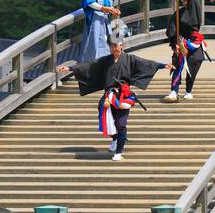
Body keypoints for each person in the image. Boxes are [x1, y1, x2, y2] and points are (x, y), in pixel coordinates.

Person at [57, 24, 167, 161]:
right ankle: (116, 139)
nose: (115, 48)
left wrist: (162, 65)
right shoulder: (105, 61)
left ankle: (118, 152)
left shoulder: (130, 59)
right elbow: (89, 66)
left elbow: (146, 64)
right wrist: (70, 68)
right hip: (109, 96)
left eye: (117, 45)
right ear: (109, 46)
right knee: (105, 120)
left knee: (120, 124)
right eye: (112, 45)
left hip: (123, 96)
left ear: (122, 45)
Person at [164, 0, 208, 102]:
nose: (184, 1)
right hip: (180, 41)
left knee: (193, 64)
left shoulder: (196, 8)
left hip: (194, 42)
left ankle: (188, 91)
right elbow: (171, 30)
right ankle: (174, 91)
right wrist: (175, 44)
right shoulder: (177, 13)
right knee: (177, 65)